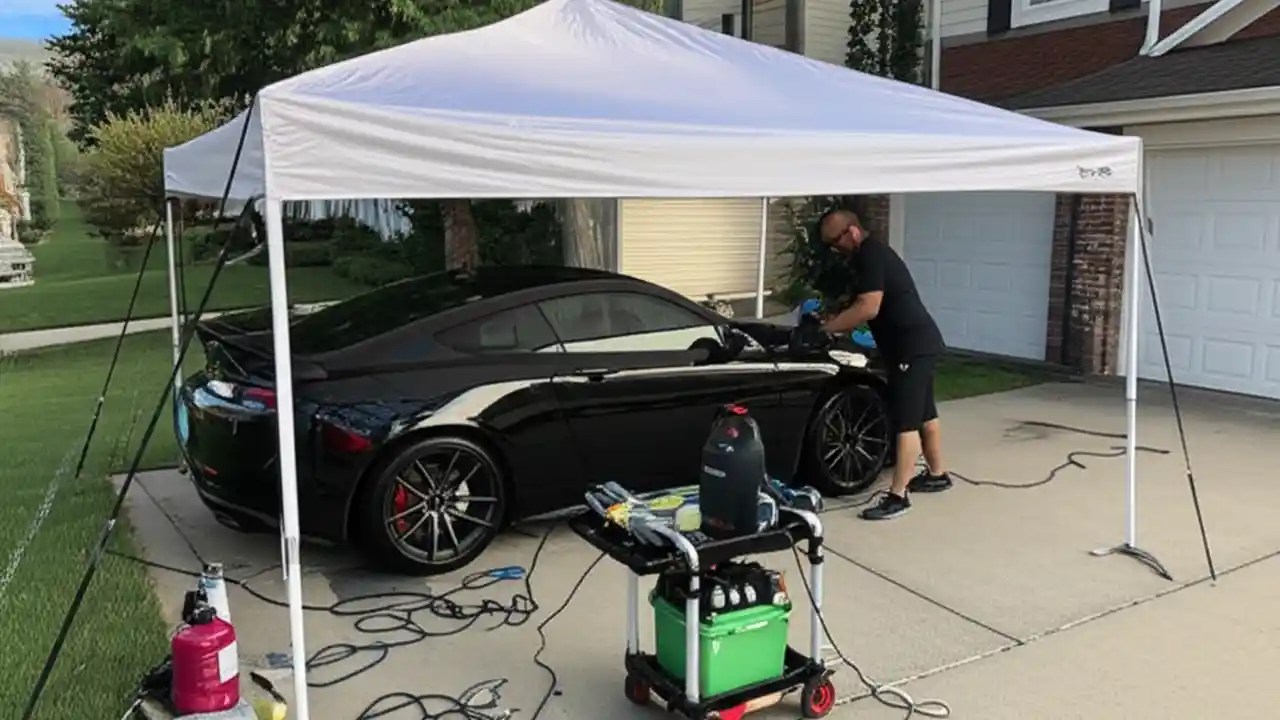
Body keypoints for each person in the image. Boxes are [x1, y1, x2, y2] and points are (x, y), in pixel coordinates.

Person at [816, 208, 952, 520]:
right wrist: (836, 315)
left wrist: (828, 329)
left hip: (910, 347)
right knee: (925, 412)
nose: (835, 250)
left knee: (906, 422)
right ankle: (937, 474)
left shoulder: (870, 255)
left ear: (852, 232)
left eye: (835, 242)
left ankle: (898, 496)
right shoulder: (872, 255)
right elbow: (862, 301)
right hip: (919, 343)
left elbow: (869, 307)